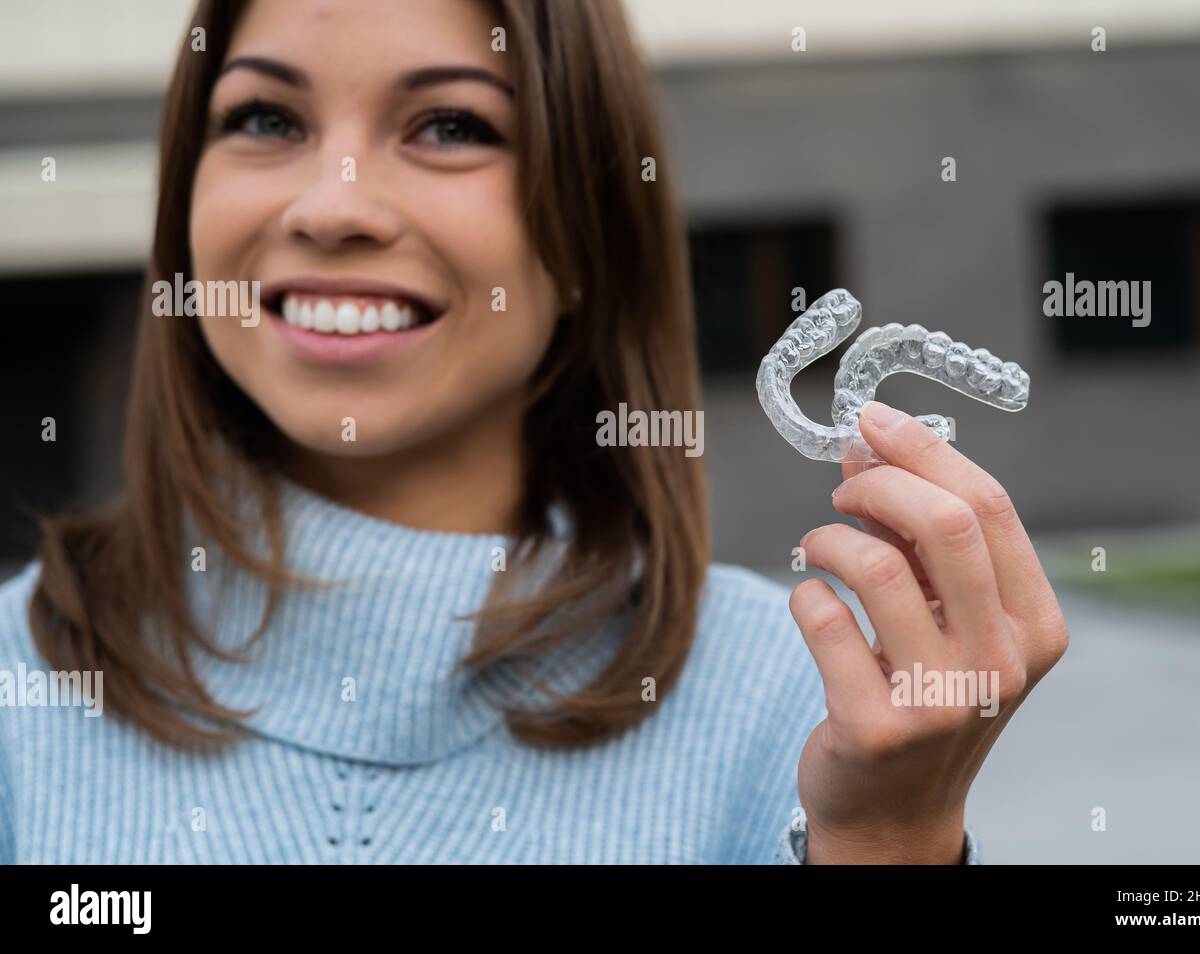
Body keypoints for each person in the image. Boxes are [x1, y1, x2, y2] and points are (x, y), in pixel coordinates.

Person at [0, 0, 1067, 864]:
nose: (333, 208)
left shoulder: (798, 709)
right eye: (266, 120)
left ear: (585, 235)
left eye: (451, 126)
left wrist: (887, 842)